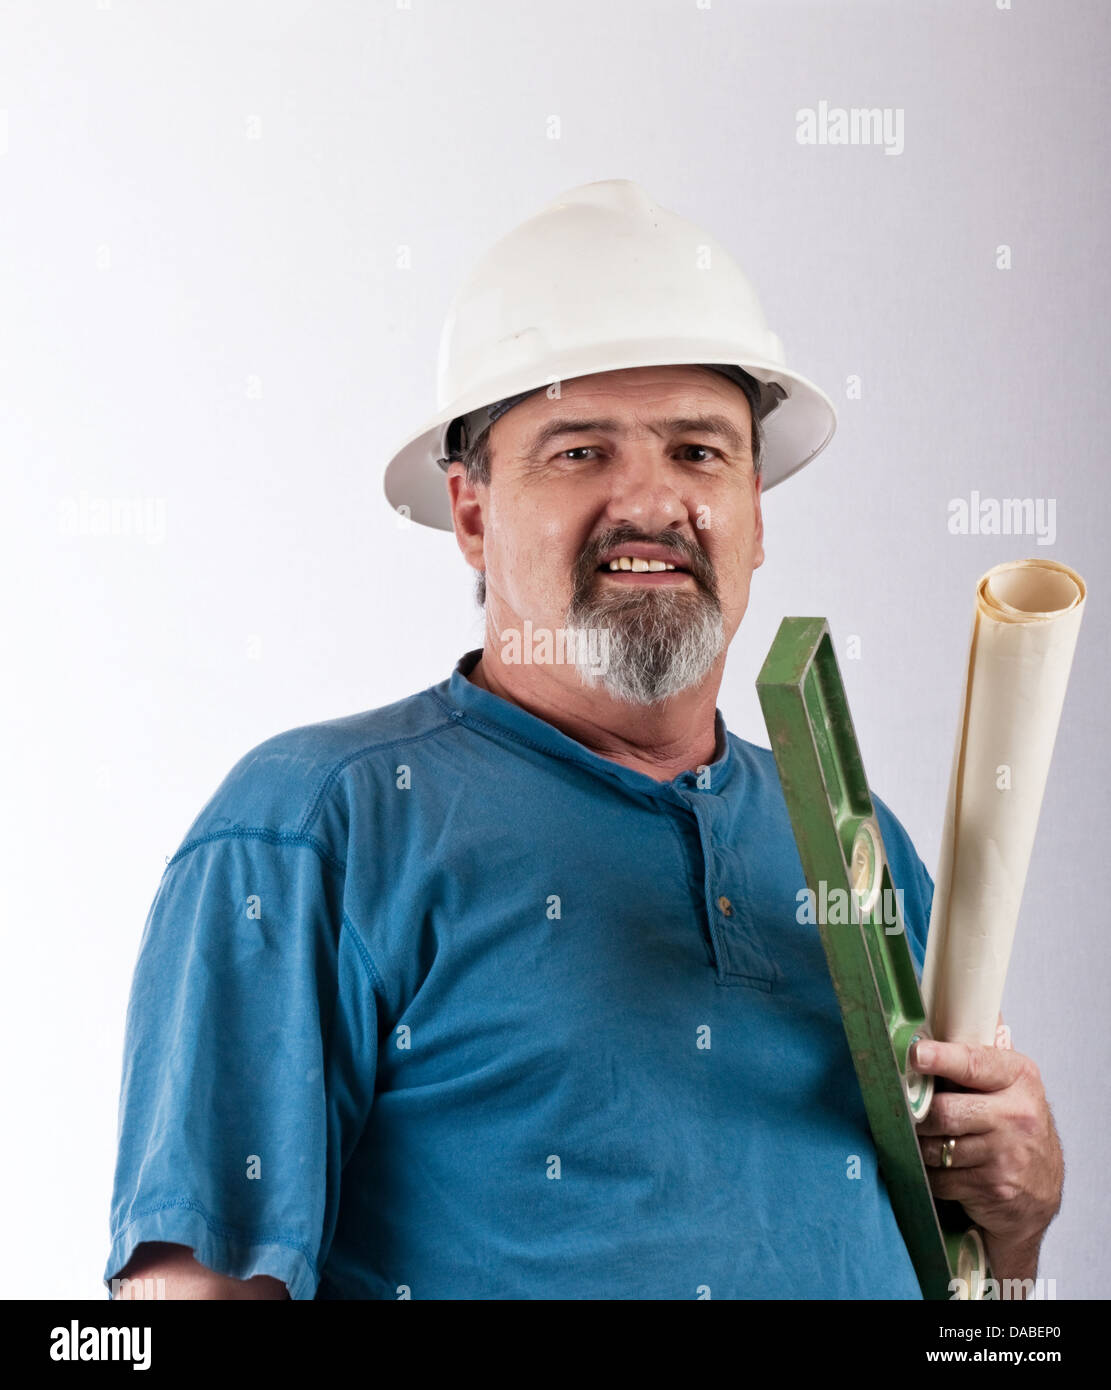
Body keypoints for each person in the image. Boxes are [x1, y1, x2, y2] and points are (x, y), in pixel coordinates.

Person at [105, 182, 1062, 1300]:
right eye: (578, 452)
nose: (649, 500)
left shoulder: (856, 852)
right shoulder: (315, 830)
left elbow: (971, 1312)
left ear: (757, 507)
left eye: (699, 452)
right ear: (470, 512)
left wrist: (1015, 1240)